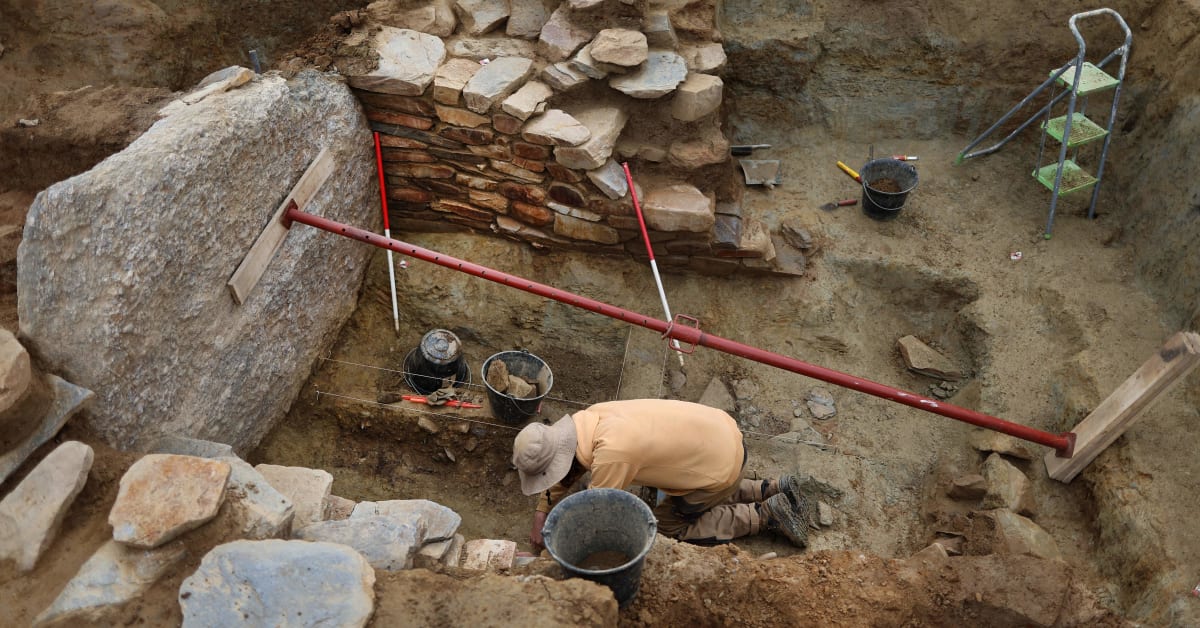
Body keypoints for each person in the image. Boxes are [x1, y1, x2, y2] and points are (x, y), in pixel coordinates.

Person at [511, 399, 819, 551]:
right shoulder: (589, 418)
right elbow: (573, 466)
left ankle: (764, 515)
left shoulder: (613, 455)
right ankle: (772, 487)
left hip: (720, 470)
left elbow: (598, 514)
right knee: (684, 481)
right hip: (722, 437)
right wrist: (542, 511)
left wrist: (561, 541)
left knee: (670, 526)